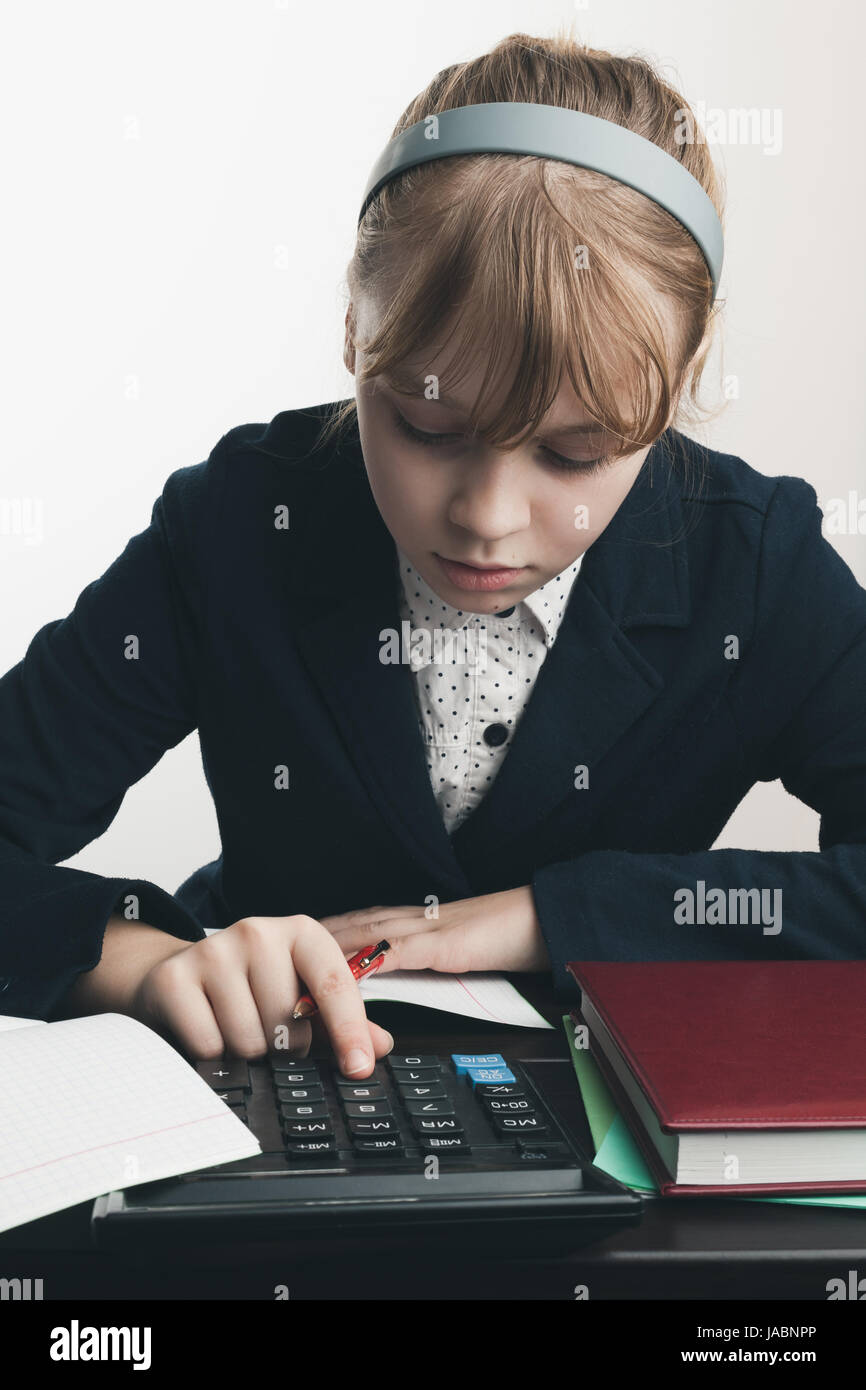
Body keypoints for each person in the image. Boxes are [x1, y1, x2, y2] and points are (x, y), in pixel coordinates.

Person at [2, 33, 864, 1080]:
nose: (487, 516)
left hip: (613, 1147)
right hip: (273, 1100)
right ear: (355, 335)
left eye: (573, 450)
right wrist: (136, 963)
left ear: (678, 379)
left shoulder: (754, 562)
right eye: (424, 424)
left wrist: (547, 916)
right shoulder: (238, 521)